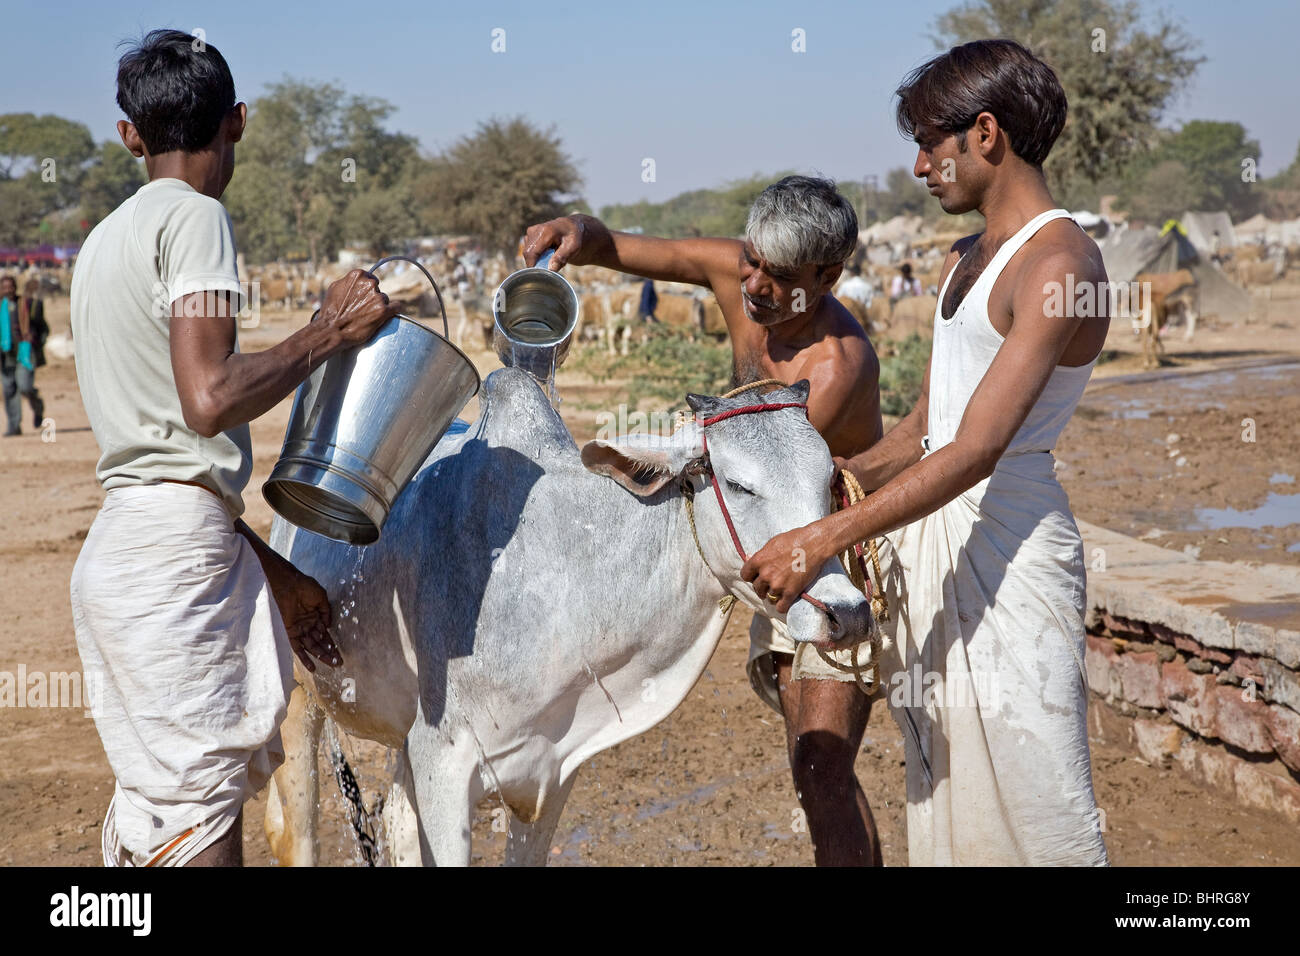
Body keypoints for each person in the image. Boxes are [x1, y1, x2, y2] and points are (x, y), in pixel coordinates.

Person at [740, 39, 1110, 866]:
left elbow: (978, 448)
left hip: (1008, 553)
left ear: (985, 134)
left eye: (928, 144)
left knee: (1036, 792)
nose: (917, 166)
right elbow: (924, 429)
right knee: (945, 787)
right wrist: (836, 488)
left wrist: (819, 540)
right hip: (939, 543)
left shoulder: (1059, 265)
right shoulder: (962, 259)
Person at [69, 30, 399, 867]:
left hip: (122, 554)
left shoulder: (101, 244)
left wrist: (276, 579)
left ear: (129, 135)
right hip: (172, 562)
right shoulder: (197, 217)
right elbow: (209, 399)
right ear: (238, 123)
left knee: (162, 812)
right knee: (201, 818)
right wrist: (329, 330)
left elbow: (166, 464)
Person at [523, 175, 894, 866]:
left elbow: (754, 468)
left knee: (821, 768)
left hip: (835, 560)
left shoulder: (837, 366)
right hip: (771, 546)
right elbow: (632, 250)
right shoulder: (742, 274)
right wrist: (577, 232)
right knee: (815, 767)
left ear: (828, 275)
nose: (752, 284)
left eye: (777, 276)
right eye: (749, 259)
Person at [1, 274, 47, 435]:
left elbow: (42, 328)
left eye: (10, 286)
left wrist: (36, 344)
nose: (8, 290)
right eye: (4, 287)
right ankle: (14, 426)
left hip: (25, 353)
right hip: (5, 356)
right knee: (9, 390)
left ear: (15, 287)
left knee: (25, 386)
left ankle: (37, 406)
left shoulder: (26, 305)